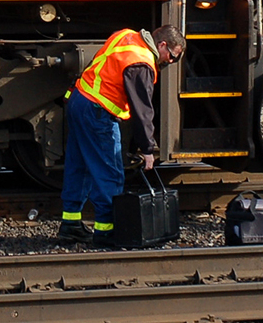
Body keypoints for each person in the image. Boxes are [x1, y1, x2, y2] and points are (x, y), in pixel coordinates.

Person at [57, 25, 186, 246]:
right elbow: (142, 110)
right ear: (162, 45)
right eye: (172, 56)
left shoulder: (126, 35)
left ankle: (70, 225)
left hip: (80, 100)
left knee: (79, 167)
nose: (171, 62)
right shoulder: (141, 62)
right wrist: (147, 149)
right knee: (109, 173)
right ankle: (106, 232)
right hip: (98, 112)